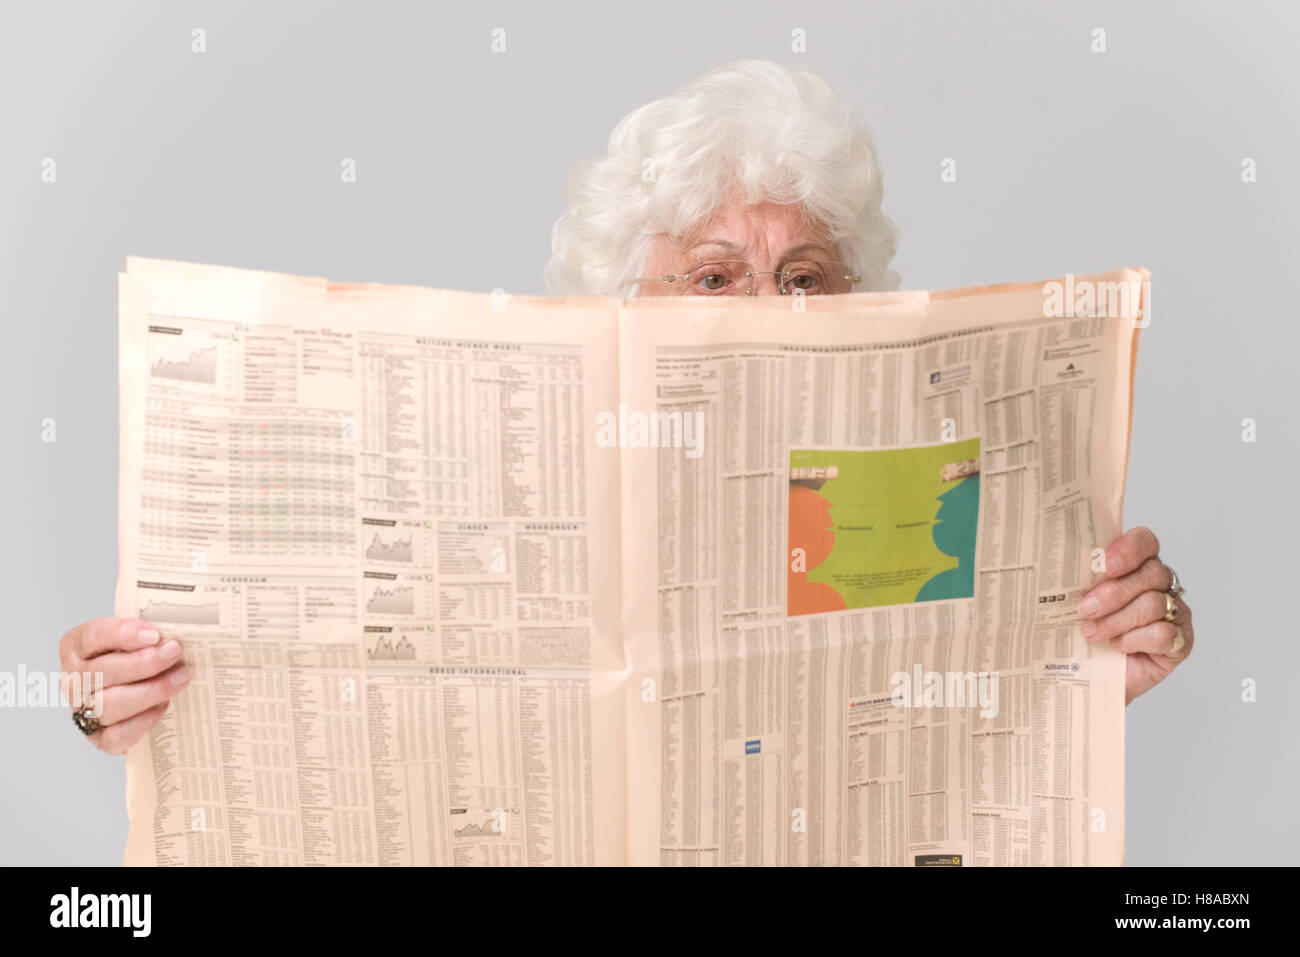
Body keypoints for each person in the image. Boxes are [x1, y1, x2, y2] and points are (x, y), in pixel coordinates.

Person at [60, 59, 1192, 755]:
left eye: (804, 276)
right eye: (712, 276)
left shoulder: (908, 499)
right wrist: (130, 700)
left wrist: (1092, 678)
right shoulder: (500, 483)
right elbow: (325, 703)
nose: (766, 307)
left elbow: (944, 740)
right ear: (622, 303)